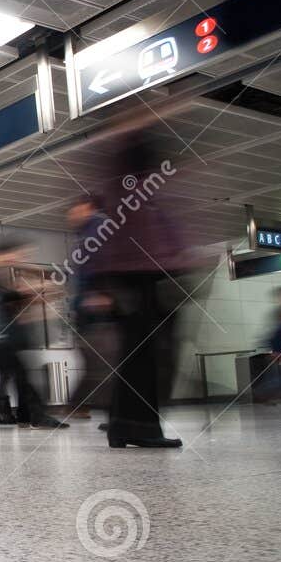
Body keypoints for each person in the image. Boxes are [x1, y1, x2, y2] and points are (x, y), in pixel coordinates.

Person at [93, 130, 187, 448]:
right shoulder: (134, 193)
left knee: (135, 356)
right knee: (148, 357)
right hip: (139, 279)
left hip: (131, 279)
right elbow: (146, 240)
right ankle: (140, 428)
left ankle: (124, 426)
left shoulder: (131, 192)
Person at [0, 238, 65, 430]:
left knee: (21, 376)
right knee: (24, 376)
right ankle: (34, 416)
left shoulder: (2, 283)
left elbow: (28, 298)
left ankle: (24, 416)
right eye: (13, 255)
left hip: (9, 341)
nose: (17, 259)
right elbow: (13, 300)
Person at [63, 197, 116, 421]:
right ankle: (108, 411)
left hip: (94, 305)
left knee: (100, 360)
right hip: (91, 308)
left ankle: (83, 405)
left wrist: (98, 293)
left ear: (88, 207)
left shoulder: (97, 228)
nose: (71, 216)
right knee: (103, 359)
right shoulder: (86, 233)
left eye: (74, 210)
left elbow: (98, 265)